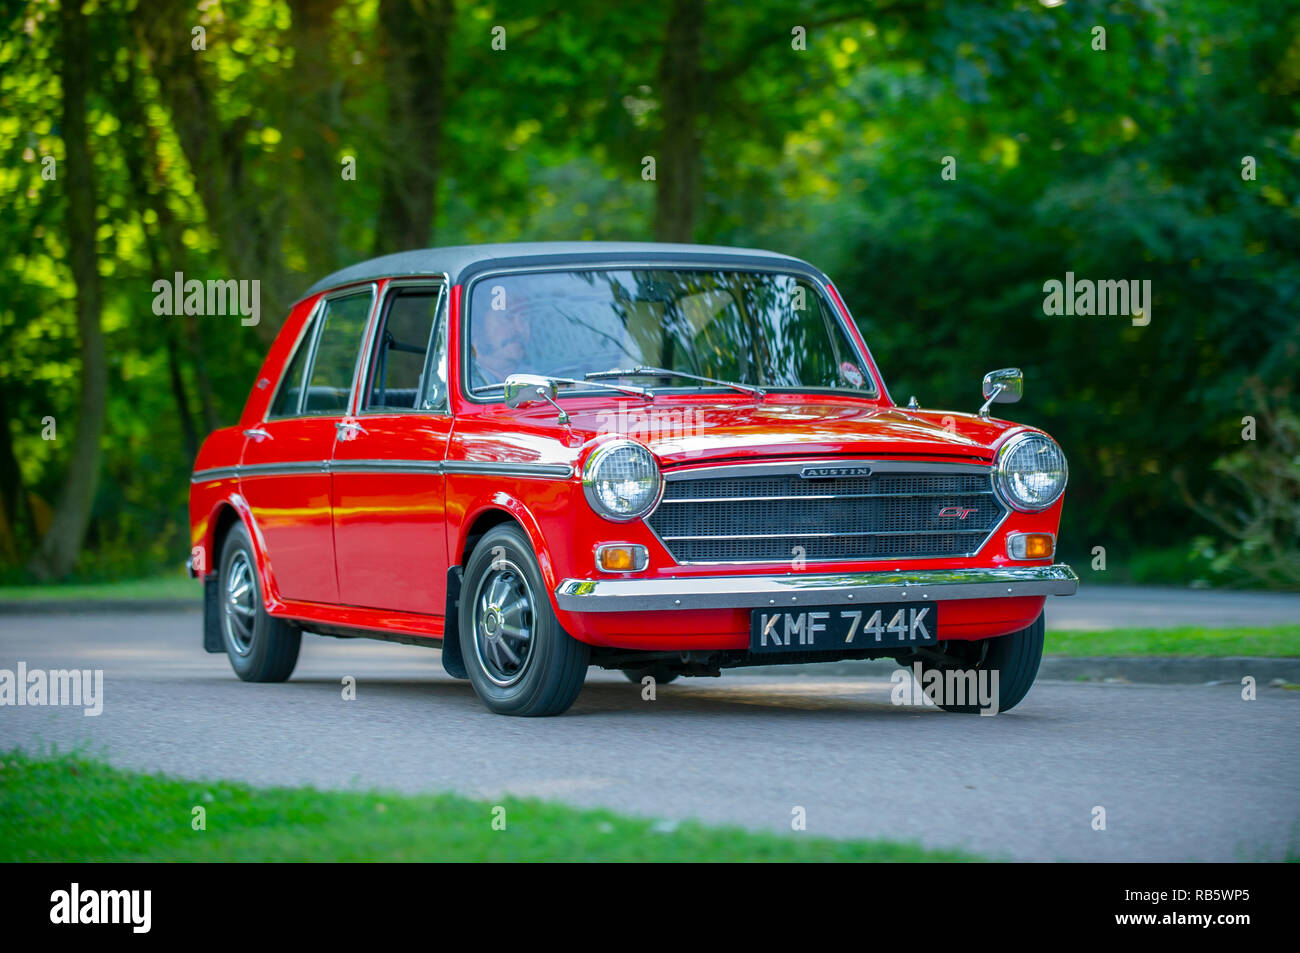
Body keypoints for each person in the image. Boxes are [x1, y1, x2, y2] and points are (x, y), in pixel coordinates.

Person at [471, 297, 532, 389]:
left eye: (523, 319)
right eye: (507, 318)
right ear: (480, 329)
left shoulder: (538, 379)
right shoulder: (465, 384)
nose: (520, 329)